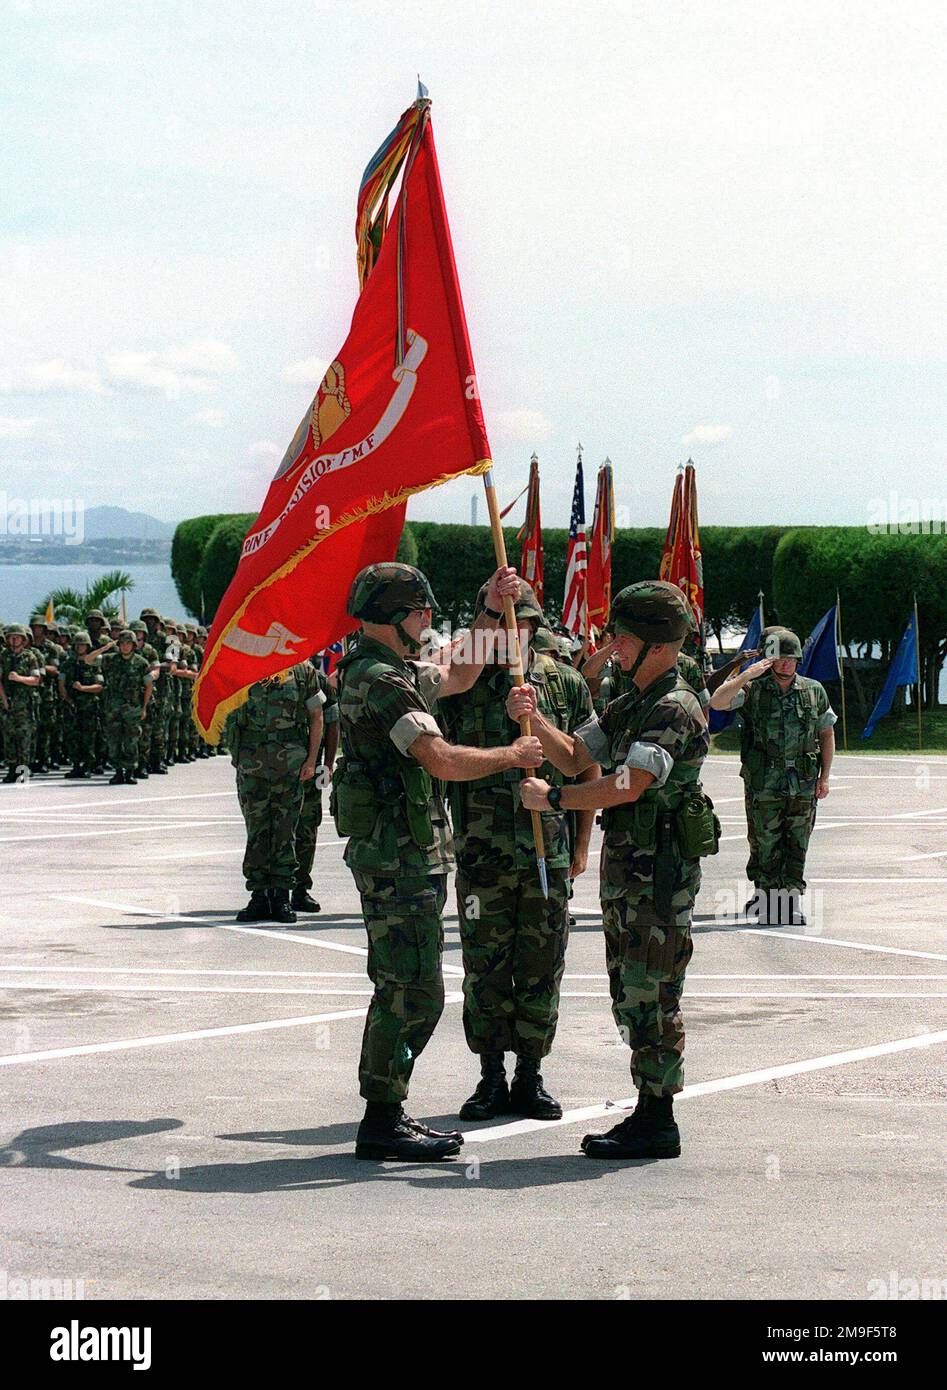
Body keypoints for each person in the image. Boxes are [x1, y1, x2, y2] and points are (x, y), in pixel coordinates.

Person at [334, 561, 543, 1161]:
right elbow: (441, 759)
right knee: (412, 989)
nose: (428, 622)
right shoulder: (383, 682)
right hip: (397, 857)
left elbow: (458, 673)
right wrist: (511, 754)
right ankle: (382, 1117)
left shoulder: (378, 668)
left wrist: (486, 605)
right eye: (422, 612)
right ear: (399, 616)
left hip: (401, 852)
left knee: (405, 984)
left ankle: (387, 1112)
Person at [509, 580, 716, 1160]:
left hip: (660, 876)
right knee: (631, 989)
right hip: (631, 873)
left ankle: (658, 1119)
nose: (612, 647)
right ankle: (648, 1112)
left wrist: (553, 801)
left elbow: (630, 785)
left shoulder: (675, 706)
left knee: (653, 991)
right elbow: (578, 756)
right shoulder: (633, 699)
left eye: (622, 637)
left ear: (654, 642)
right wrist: (536, 718)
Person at [439, 580, 597, 1120]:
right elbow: (443, 747)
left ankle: (531, 1073)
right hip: (482, 852)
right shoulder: (467, 680)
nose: (514, 631)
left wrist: (580, 843)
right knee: (485, 968)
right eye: (505, 622)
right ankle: (489, 1077)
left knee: (541, 964)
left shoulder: (565, 682)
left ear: (534, 627)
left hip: (544, 852)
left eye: (523, 622)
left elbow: (583, 763)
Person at [709, 625, 836, 925]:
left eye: (791, 658)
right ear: (769, 659)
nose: (785, 664)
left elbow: (826, 733)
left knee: (797, 842)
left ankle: (789, 902)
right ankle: (767, 898)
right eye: (780, 658)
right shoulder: (754, 689)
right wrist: (746, 675)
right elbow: (716, 702)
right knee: (765, 843)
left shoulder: (813, 690)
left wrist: (825, 777)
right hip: (763, 782)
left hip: (802, 783)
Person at [226, 660, 326, 924]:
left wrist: (312, 760)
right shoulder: (245, 663)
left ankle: (281, 895)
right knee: (257, 831)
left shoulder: (303, 671)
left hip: (289, 764)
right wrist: (235, 754)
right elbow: (230, 711)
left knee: (285, 831)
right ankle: (259, 895)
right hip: (252, 763)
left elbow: (317, 717)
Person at [291, 657, 340, 914]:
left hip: (310, 769)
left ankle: (299, 888)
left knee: (308, 826)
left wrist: (328, 763)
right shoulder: (270, 673)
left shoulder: (319, 681)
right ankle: (271, 889)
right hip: (277, 769)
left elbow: (332, 724)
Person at [101, 630, 152, 785]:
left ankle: (129, 772)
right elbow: (88, 660)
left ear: (134, 645)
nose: (125, 646)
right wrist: (105, 648)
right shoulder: (110, 660)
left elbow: (148, 686)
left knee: (131, 741)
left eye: (128, 643)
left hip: (132, 709)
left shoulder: (141, 663)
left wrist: (144, 707)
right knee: (113, 742)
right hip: (113, 709)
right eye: (122, 643)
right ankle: (118, 772)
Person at [58, 631, 104, 778]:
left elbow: (99, 686)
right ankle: (76, 765)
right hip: (72, 706)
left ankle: (88, 766)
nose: (80, 648)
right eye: (77, 645)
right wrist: (67, 698)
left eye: (83, 645)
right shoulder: (67, 664)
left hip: (89, 706)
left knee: (88, 737)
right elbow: (61, 683)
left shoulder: (93, 663)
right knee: (72, 737)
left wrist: (83, 689)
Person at [1, 624, 42, 783]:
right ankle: (12, 770)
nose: (14, 639)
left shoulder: (30, 657)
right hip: (8, 704)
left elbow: (36, 680)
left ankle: (23, 770)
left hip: (25, 705)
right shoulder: (3, 656)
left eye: (17, 637)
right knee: (9, 738)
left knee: (24, 738)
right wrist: (4, 699)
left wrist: (19, 678)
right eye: (11, 637)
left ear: (23, 640)